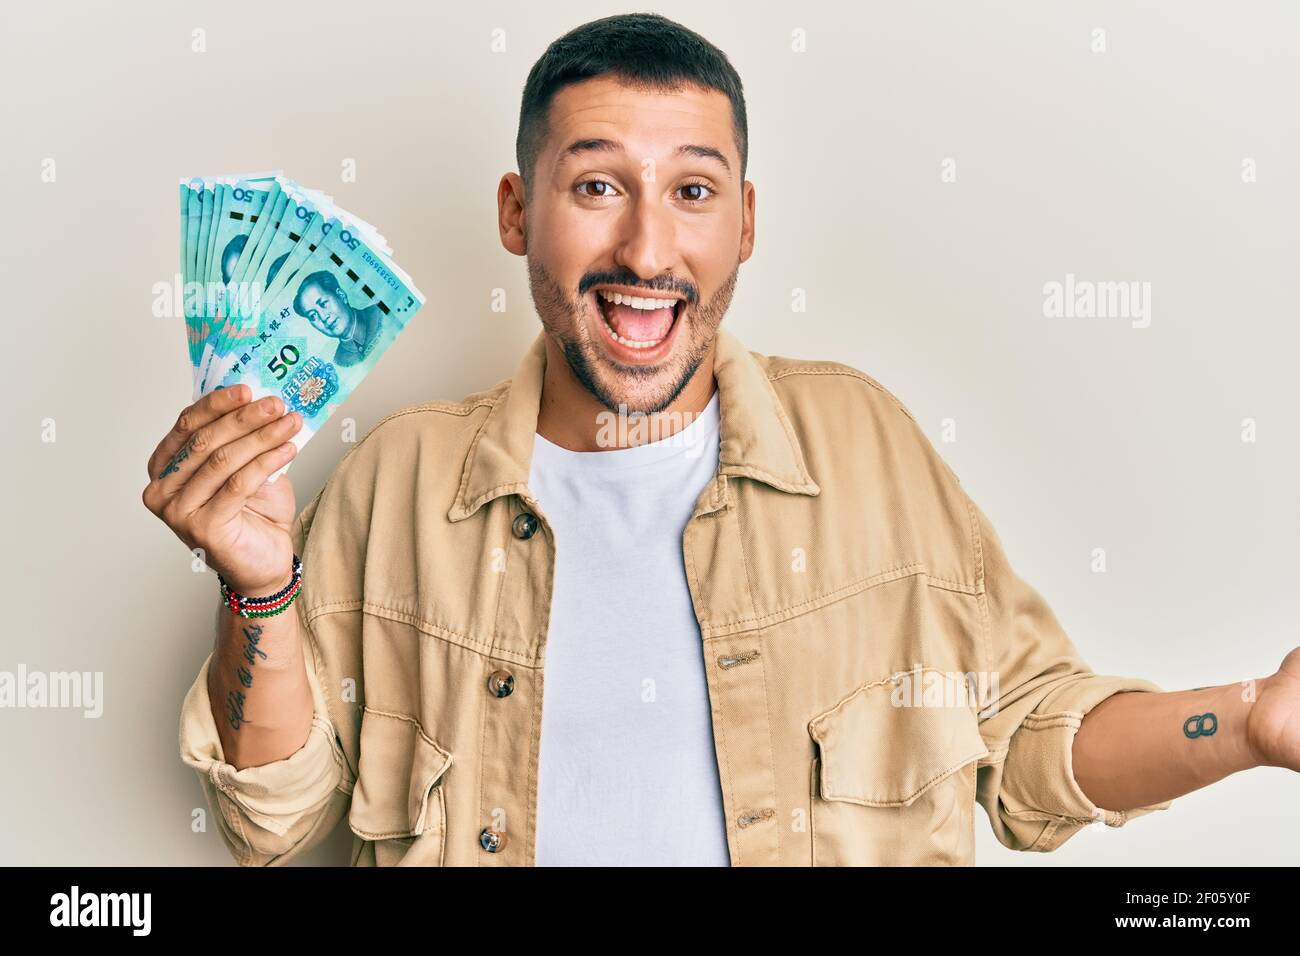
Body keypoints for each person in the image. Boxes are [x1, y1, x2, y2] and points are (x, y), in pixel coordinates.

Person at [142, 13, 1299, 867]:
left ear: (746, 220)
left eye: (693, 193)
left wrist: (1247, 720)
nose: (648, 248)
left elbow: (1039, 745)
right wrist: (259, 589)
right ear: (514, 211)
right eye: (597, 184)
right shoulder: (400, 477)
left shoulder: (864, 446)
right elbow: (274, 815)